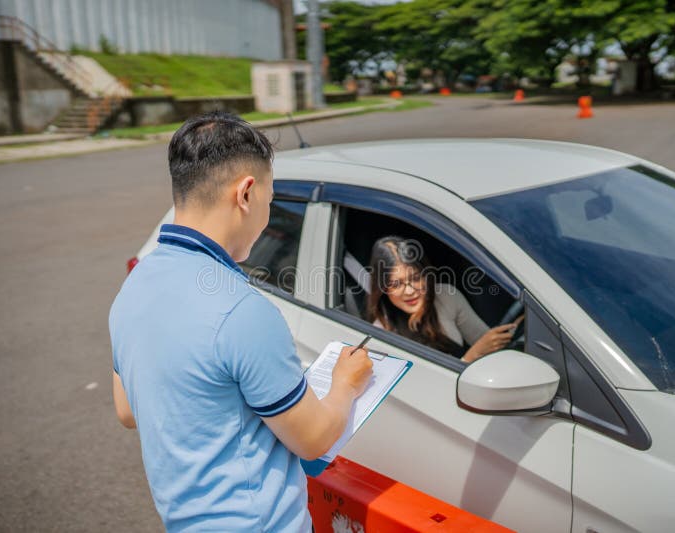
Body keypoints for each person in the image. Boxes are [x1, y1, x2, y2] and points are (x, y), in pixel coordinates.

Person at [109, 111, 373, 533]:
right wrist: (346, 382)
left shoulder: (135, 285)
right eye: (271, 201)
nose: (268, 215)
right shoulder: (240, 309)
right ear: (247, 194)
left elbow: (127, 410)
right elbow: (314, 439)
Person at [366, 236, 521, 364]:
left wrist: (516, 329)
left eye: (415, 278)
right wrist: (470, 357)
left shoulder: (445, 296)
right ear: (382, 288)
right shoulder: (381, 334)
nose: (410, 291)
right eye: (396, 284)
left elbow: (485, 341)